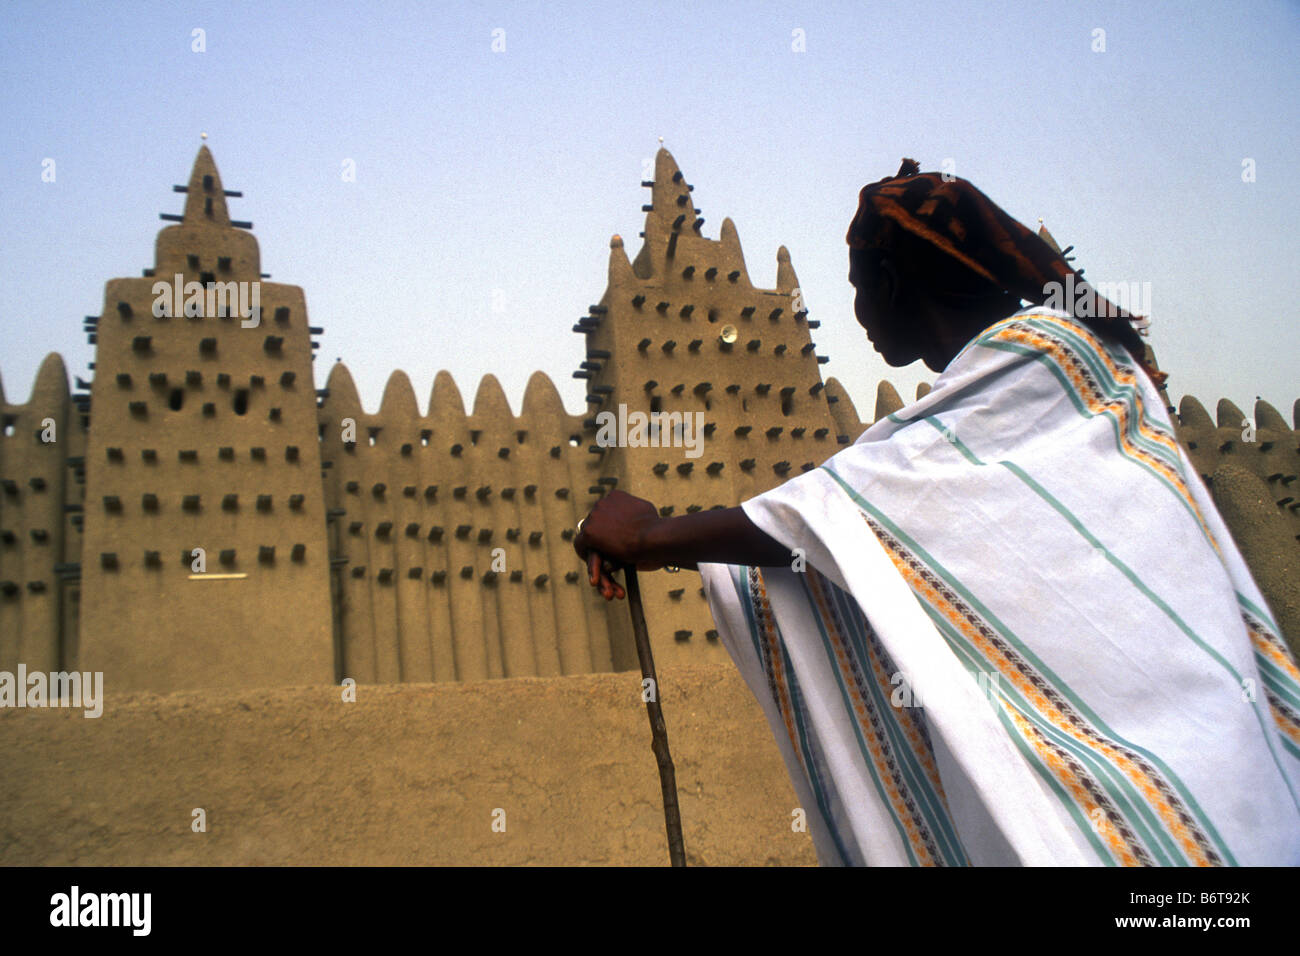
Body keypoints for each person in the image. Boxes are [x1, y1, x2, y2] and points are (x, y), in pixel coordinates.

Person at [573, 160, 1300, 865]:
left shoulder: (1038, 367)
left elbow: (850, 508)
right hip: (1213, 779)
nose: (857, 313)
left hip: (1170, 797)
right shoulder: (1054, 373)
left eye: (860, 286)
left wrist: (647, 535)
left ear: (892, 281)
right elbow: (876, 520)